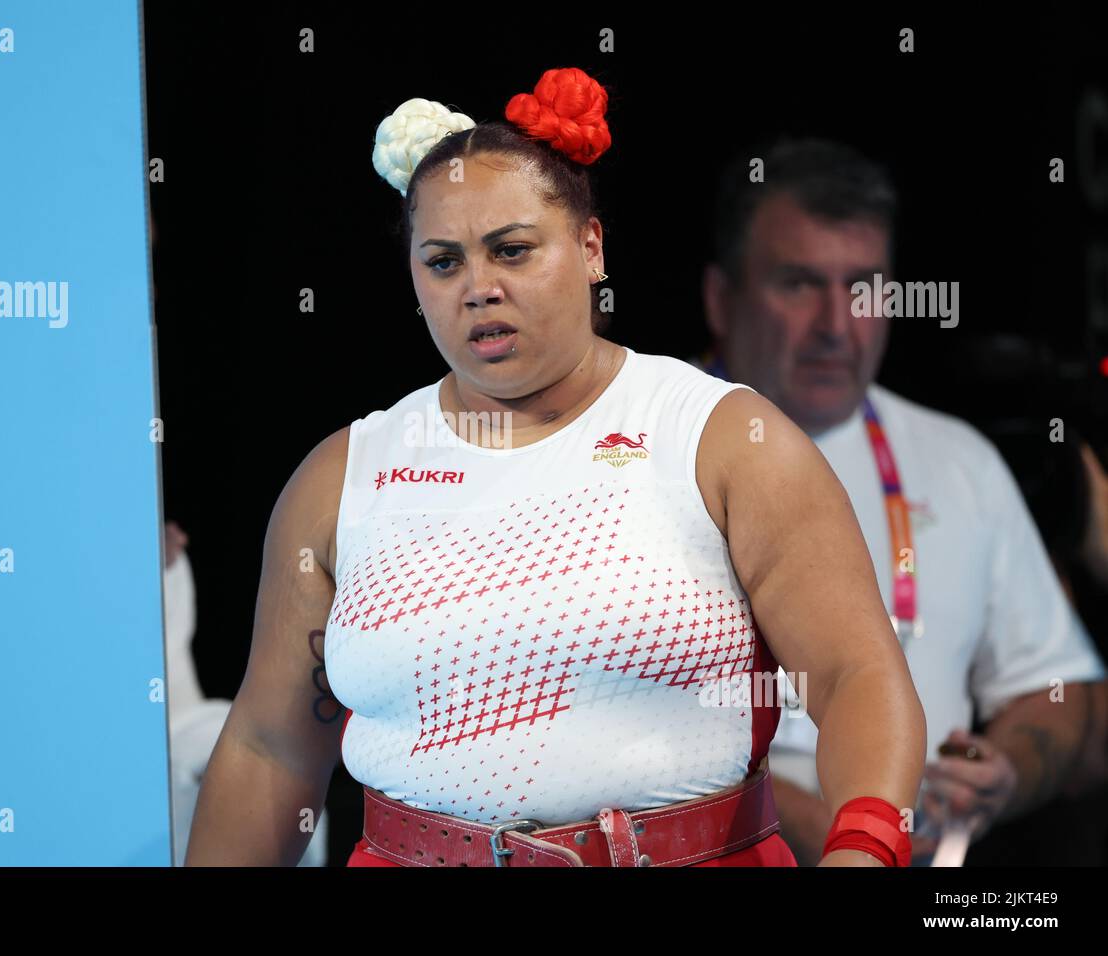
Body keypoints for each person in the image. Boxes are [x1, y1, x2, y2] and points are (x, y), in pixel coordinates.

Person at [185, 68, 925, 868]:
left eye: (511, 250)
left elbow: (856, 676)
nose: (479, 288)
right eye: (442, 262)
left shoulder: (721, 438)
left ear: (591, 247)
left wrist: (863, 852)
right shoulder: (342, 478)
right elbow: (269, 750)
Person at [698, 137, 1107, 865]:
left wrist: (1004, 773)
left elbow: (1056, 684)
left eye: (863, 287)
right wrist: (834, 821)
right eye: (798, 284)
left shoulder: (960, 460)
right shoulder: (638, 449)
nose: (835, 324)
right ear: (722, 299)